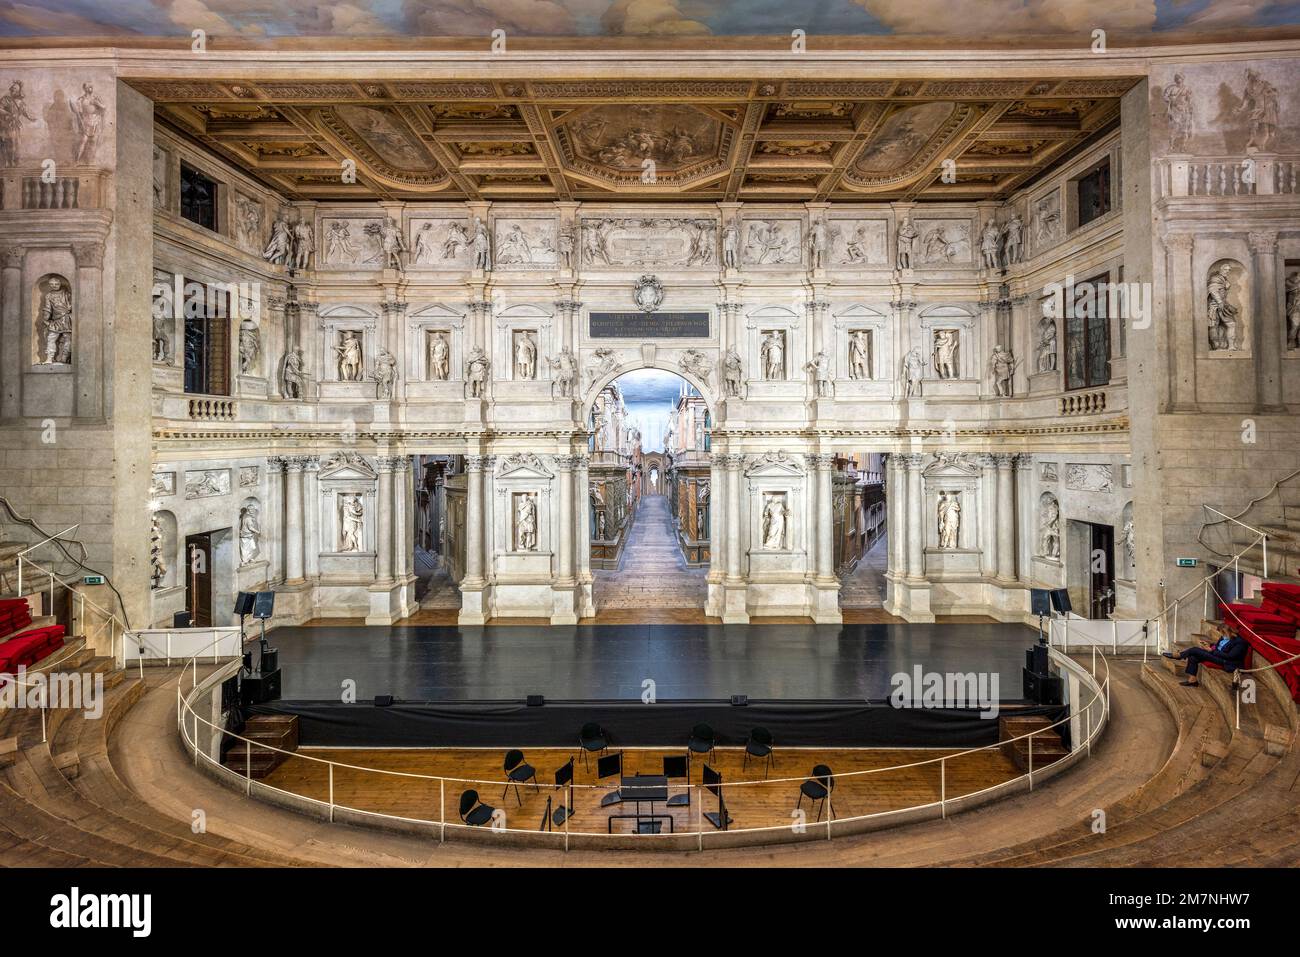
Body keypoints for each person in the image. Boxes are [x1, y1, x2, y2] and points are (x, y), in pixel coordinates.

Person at [1161, 630, 1249, 687]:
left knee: (1194, 649)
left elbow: (1230, 656)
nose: (1222, 635)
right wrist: (1209, 645)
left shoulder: (1240, 643)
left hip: (1226, 661)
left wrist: (1211, 651)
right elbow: (1218, 646)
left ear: (1231, 632)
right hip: (1216, 654)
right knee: (1193, 656)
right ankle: (1192, 680)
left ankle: (1179, 656)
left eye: (1223, 633)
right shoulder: (1225, 637)